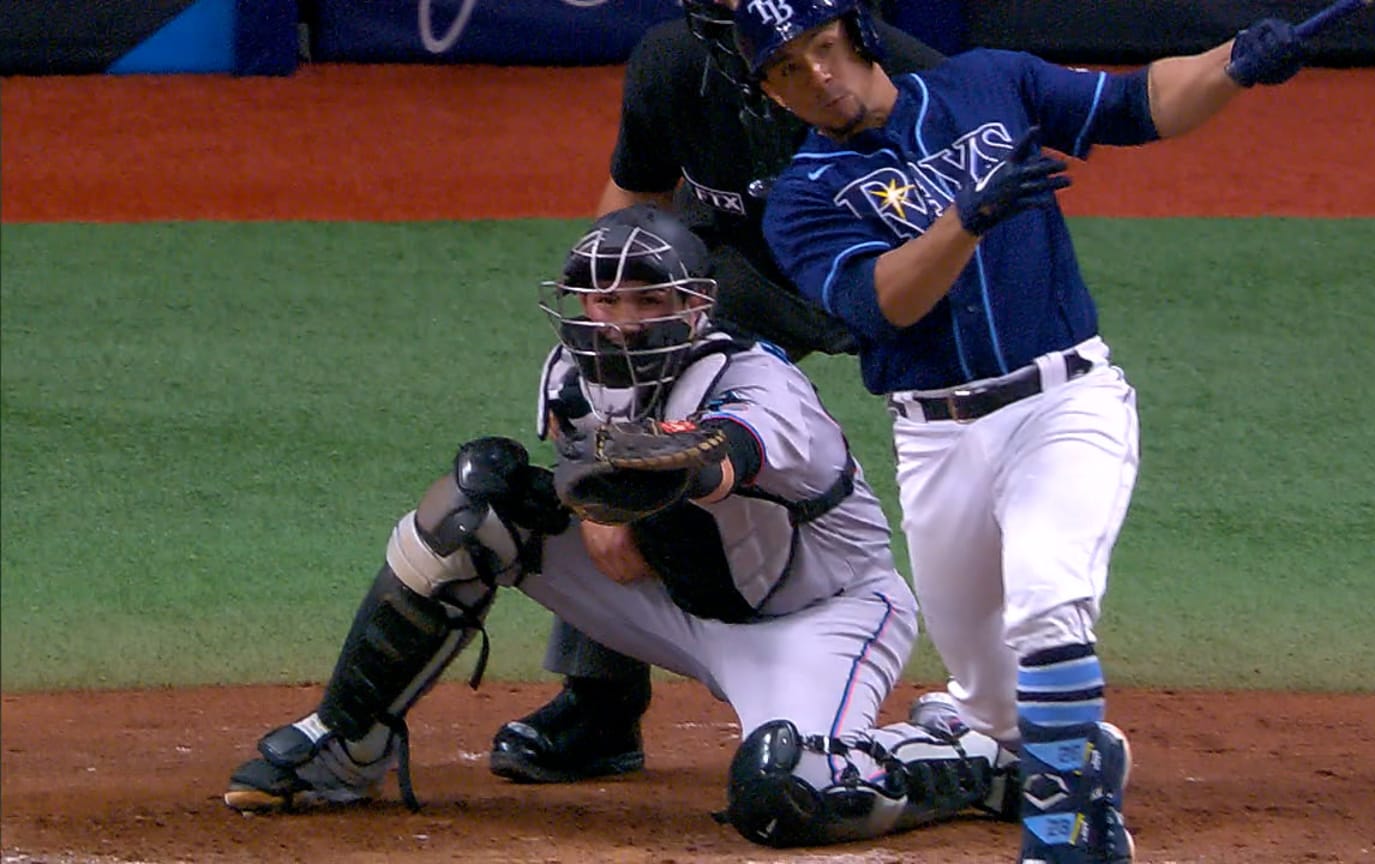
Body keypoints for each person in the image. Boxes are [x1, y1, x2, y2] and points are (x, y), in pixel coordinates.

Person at [224, 204, 1025, 847]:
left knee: (789, 790)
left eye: (649, 299)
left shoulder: (757, 381)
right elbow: (600, 533)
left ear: (694, 306)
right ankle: (347, 740)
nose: (621, 322)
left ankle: (969, 757)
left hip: (819, 619)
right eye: (604, 299)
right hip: (676, 602)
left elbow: (723, 457)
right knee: (478, 506)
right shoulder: (574, 377)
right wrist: (588, 504)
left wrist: (656, 468)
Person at [735, 1, 1314, 861]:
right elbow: (881, 304)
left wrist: (1235, 62)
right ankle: (1075, 754)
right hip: (937, 441)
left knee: (1049, 598)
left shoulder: (987, 81)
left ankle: (1069, 839)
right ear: (773, 94)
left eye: (822, 50)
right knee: (996, 709)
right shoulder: (800, 199)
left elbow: (1133, 105)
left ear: (855, 38)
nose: (817, 78)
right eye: (788, 69)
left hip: (1061, 403)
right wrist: (964, 221)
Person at [489, 0, 946, 787]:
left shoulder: (908, 81)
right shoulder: (675, 60)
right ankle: (600, 703)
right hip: (731, 278)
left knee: (981, 438)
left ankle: (997, 691)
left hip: (890, 277)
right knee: (640, 423)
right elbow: (632, 208)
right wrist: (609, 352)